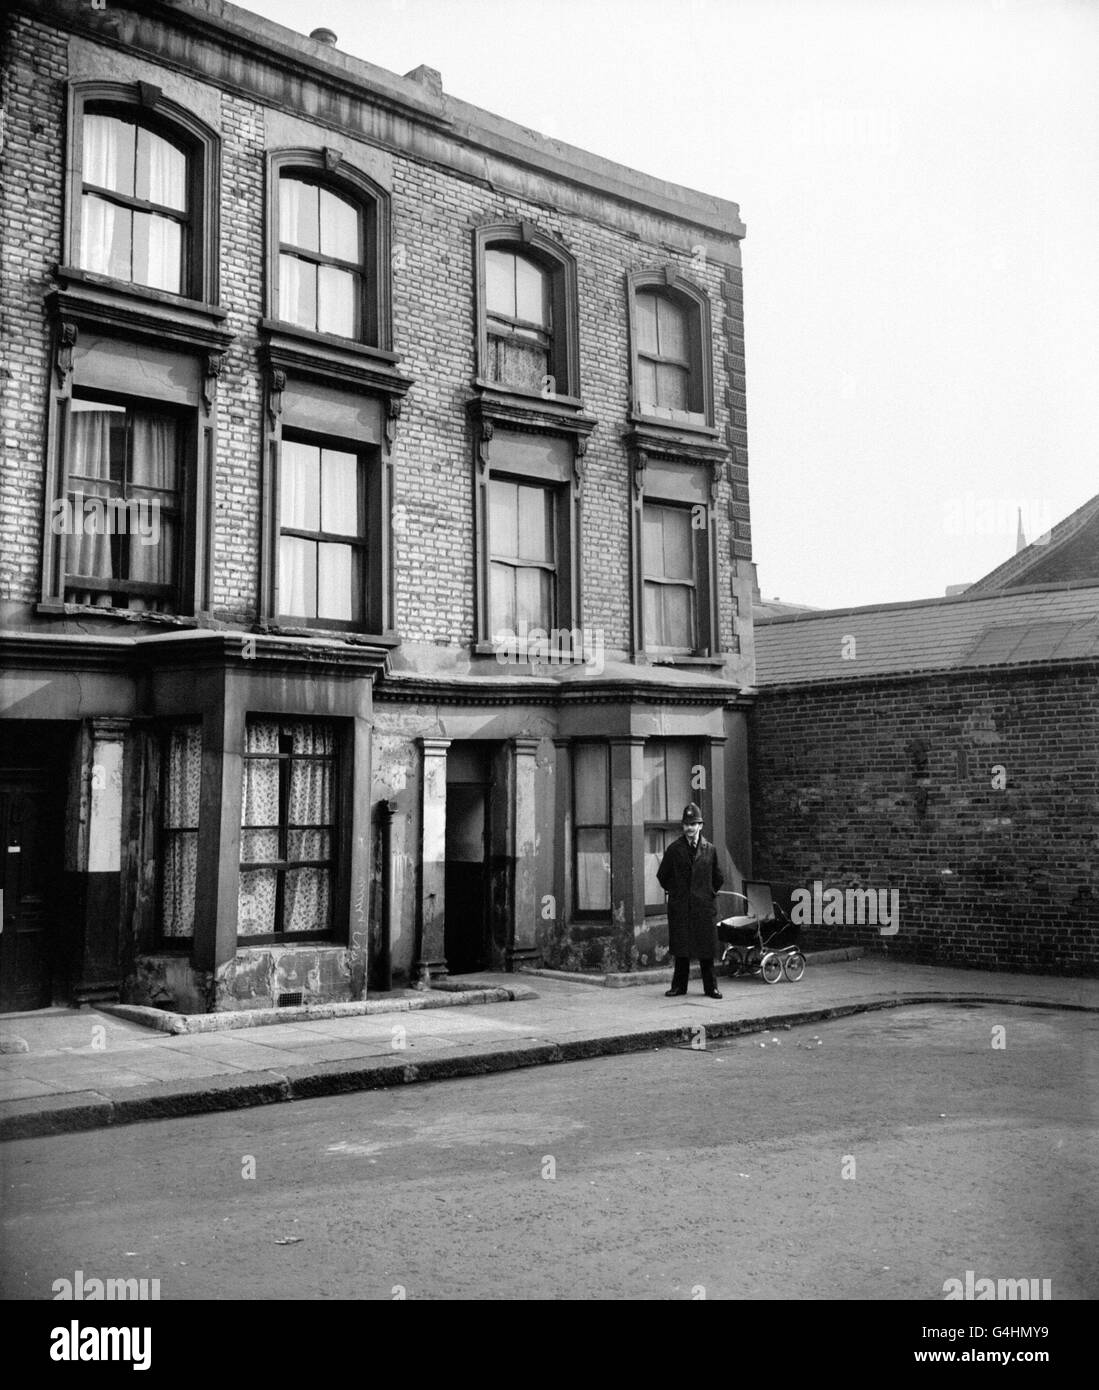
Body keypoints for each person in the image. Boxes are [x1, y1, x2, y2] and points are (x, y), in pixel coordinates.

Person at [656, 802, 724, 999]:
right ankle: (679, 986)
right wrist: (677, 894)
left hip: (703, 907)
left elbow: (718, 877)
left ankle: (711, 988)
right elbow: (663, 876)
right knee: (682, 949)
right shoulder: (674, 849)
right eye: (686, 824)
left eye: (693, 824)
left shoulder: (710, 849)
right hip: (681, 907)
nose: (689, 828)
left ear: (700, 826)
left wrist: (707, 893)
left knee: (706, 950)